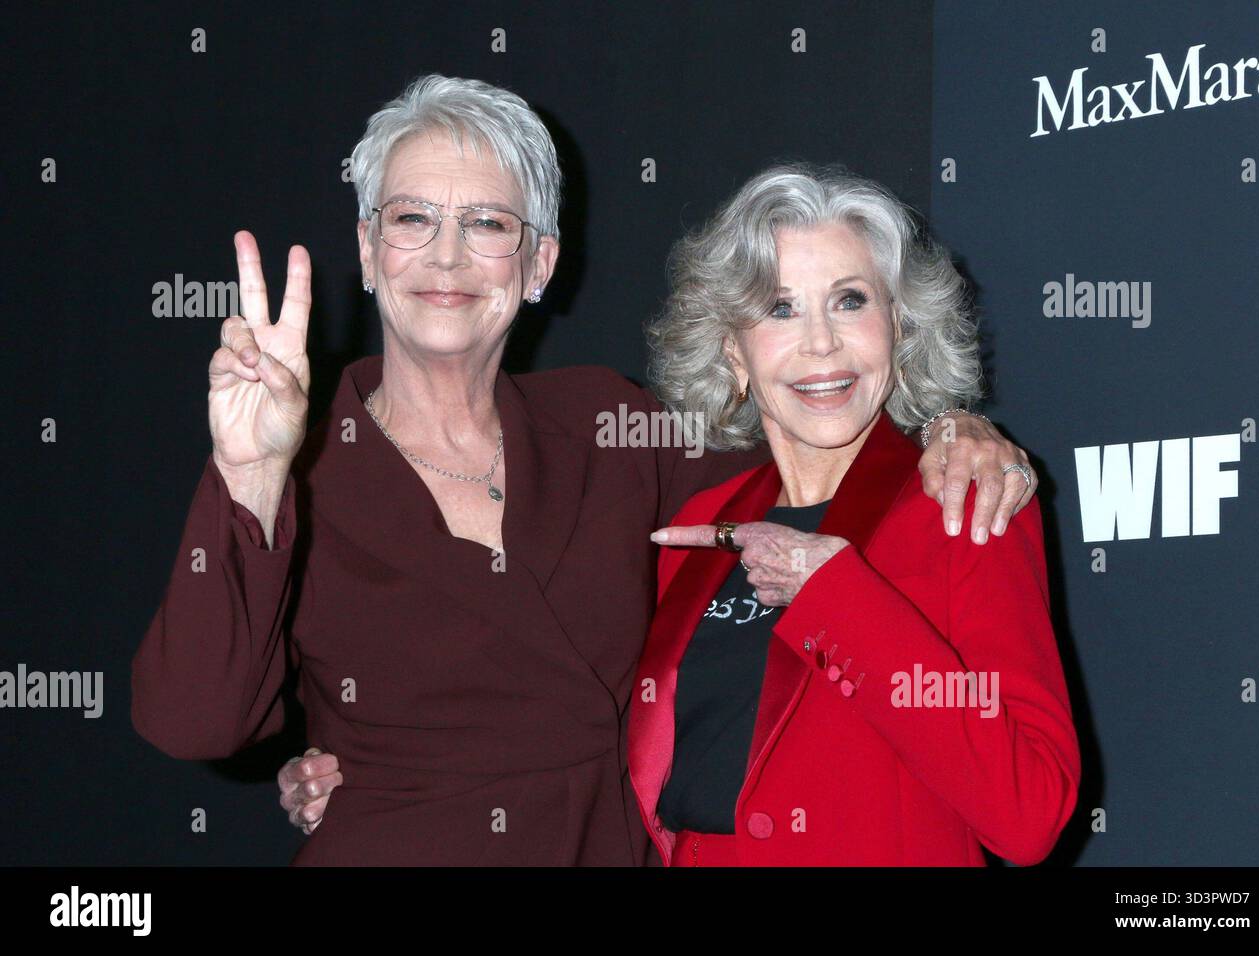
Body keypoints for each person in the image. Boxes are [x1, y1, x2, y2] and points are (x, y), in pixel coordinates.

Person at [130, 73, 1037, 865]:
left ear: (540, 264)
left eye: (487, 223)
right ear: (368, 251)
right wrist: (249, 473)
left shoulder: (608, 427)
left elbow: (807, 421)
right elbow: (199, 722)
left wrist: (951, 422)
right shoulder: (297, 460)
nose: (446, 256)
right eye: (412, 219)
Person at [630, 162, 1079, 865]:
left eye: (849, 300)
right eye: (779, 308)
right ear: (733, 352)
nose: (821, 342)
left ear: (898, 329)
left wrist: (838, 596)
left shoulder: (963, 502)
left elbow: (1029, 814)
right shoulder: (701, 522)